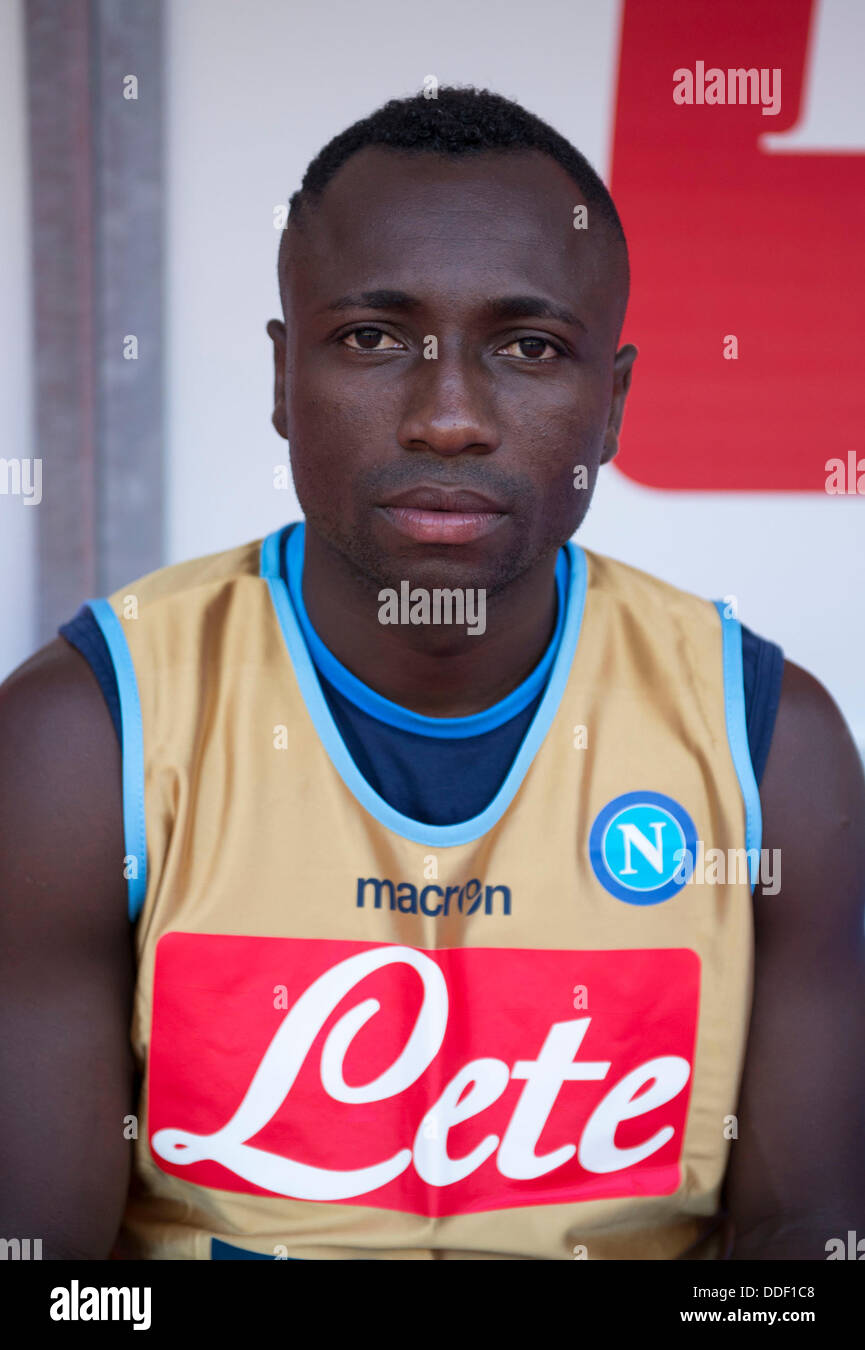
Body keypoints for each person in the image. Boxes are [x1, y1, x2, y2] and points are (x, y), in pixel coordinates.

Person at [1, 87, 863, 1262]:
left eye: (528, 348)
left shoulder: (768, 745)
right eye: (371, 338)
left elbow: (805, 1245)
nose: (448, 418)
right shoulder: (83, 736)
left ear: (610, 406)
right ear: (282, 379)